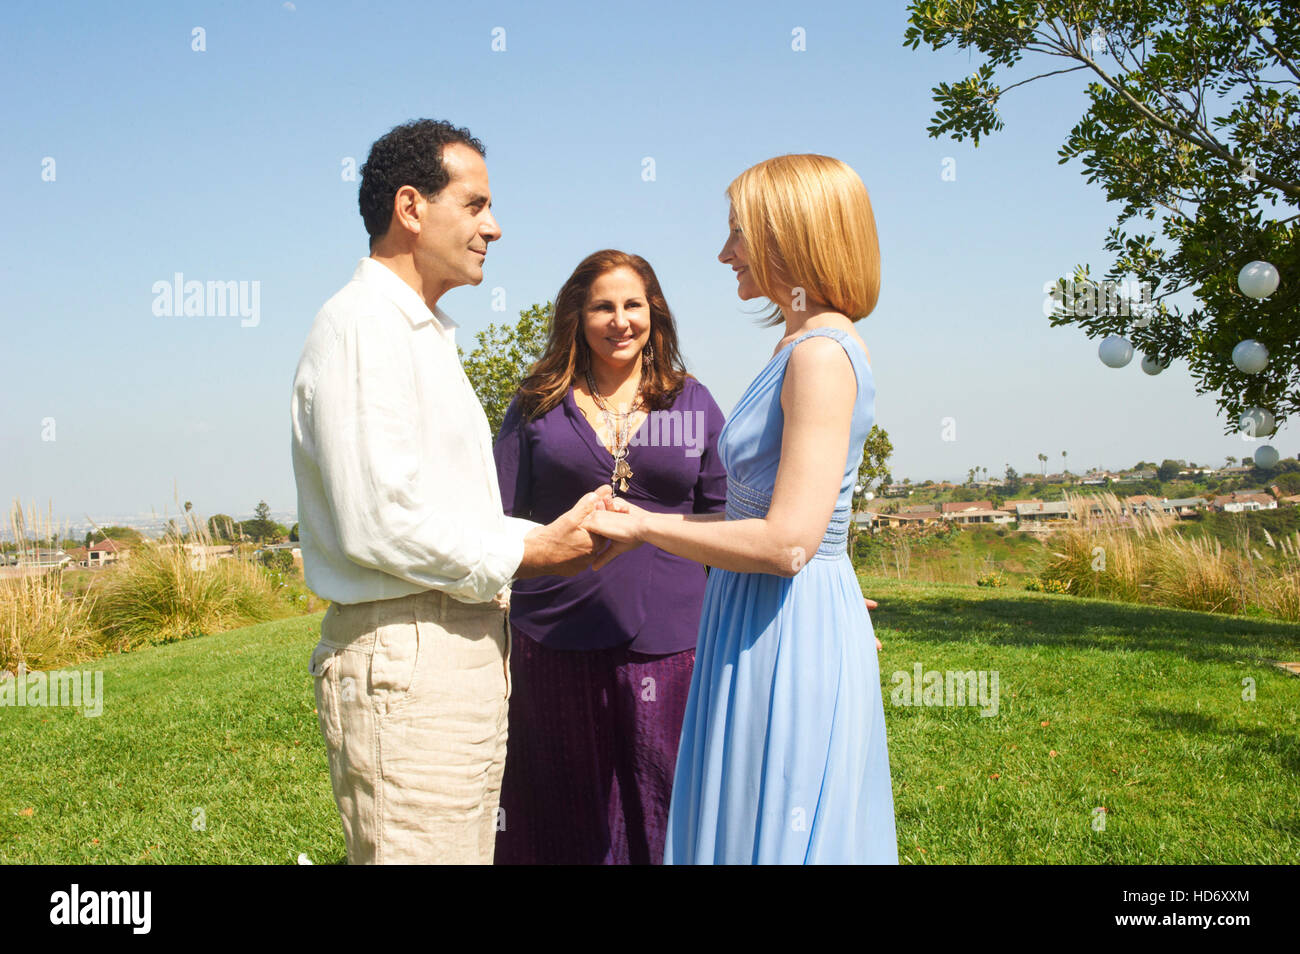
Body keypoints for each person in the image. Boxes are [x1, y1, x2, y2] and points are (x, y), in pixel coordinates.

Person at [290, 119, 612, 865]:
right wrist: (532, 547)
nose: (493, 228)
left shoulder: (420, 332)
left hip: (445, 652)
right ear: (411, 206)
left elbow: (437, 507)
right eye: (475, 205)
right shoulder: (364, 327)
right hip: (410, 661)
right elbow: (380, 522)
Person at [584, 154, 899, 864]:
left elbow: (789, 544)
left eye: (739, 233)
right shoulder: (795, 345)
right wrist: (639, 531)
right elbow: (751, 519)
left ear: (792, 236)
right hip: (753, 617)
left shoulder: (821, 355)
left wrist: (645, 526)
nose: (725, 252)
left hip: (784, 625)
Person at [492, 249, 727, 864]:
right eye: (603, 307)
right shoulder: (539, 403)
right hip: (555, 634)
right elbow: (499, 517)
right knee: (560, 802)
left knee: (667, 793)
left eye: (633, 305)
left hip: (672, 639)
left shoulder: (690, 402)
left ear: (654, 314)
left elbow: (729, 515)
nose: (620, 320)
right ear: (578, 315)